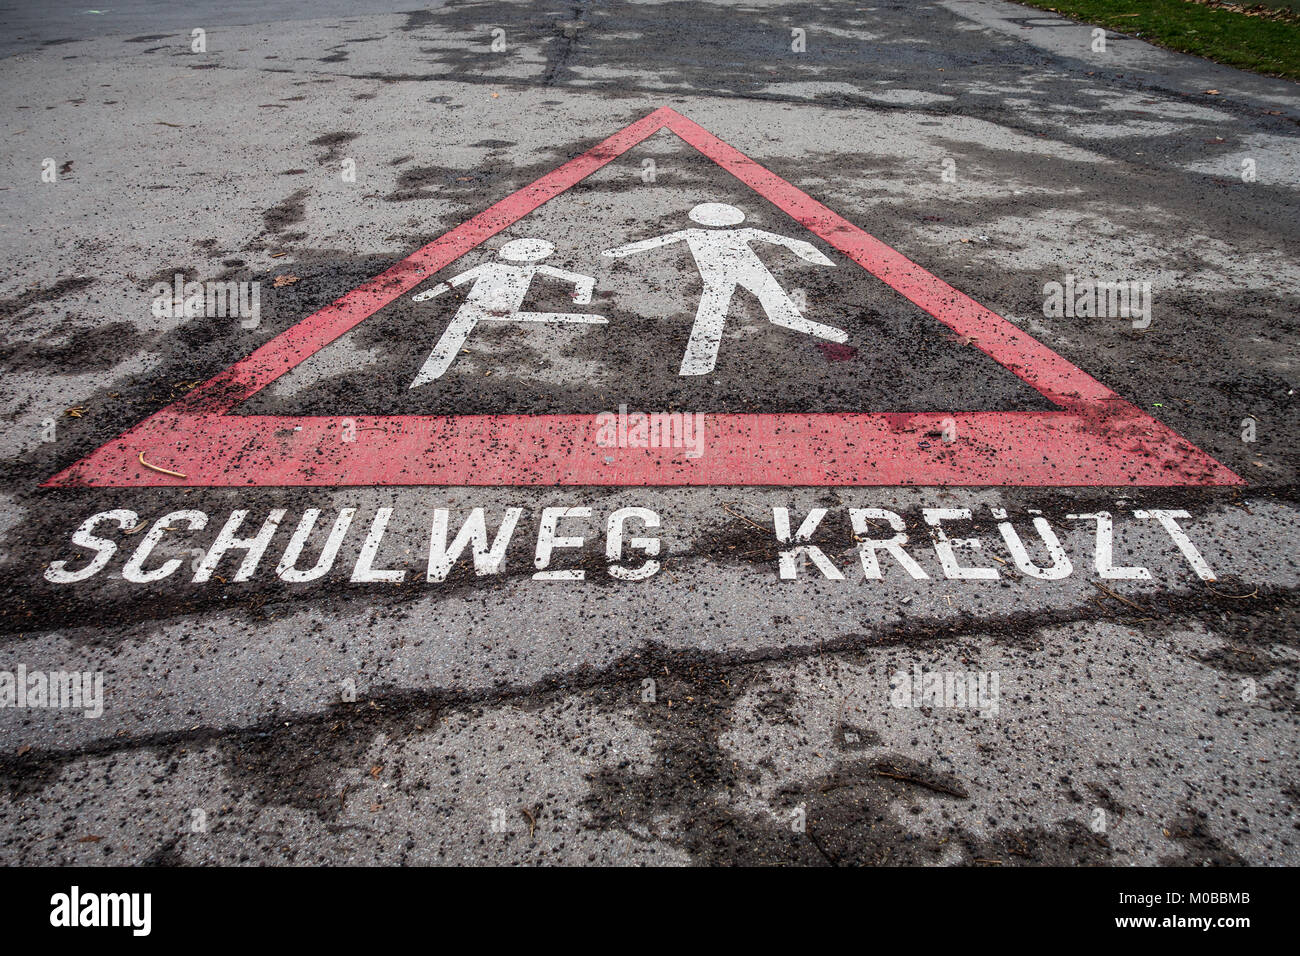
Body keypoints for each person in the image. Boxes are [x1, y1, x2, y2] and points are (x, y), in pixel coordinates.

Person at [602, 202, 846, 375]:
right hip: (735, 273)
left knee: (719, 310)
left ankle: (698, 362)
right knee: (729, 307)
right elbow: (789, 241)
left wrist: (619, 251)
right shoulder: (720, 232)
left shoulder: (702, 232)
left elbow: (656, 241)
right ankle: (697, 362)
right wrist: (812, 255)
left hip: (743, 271)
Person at [409, 237, 606, 386]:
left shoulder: (514, 267)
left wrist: (427, 295)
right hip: (473, 308)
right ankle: (429, 372)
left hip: (492, 309)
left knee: (456, 333)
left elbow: (452, 282)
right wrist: (582, 298)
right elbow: (453, 281)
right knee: (453, 336)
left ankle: (430, 372)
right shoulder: (502, 267)